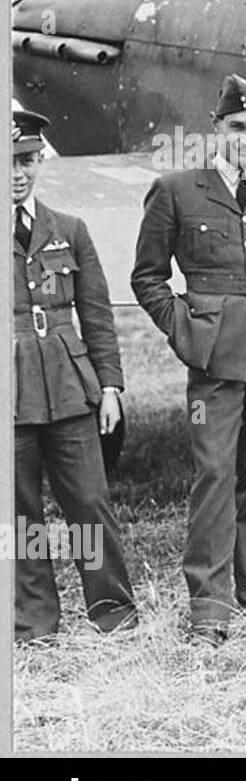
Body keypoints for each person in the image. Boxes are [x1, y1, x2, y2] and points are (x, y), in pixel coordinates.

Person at [132, 74, 246, 642]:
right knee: (215, 472)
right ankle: (209, 606)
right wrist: (185, 330)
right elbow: (148, 277)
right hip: (216, 355)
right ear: (216, 128)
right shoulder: (177, 190)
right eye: (237, 127)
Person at [13, 110, 138, 642]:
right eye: (6, 162)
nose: (16, 173)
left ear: (40, 160)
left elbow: (98, 316)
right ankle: (34, 623)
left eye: (25, 160)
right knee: (19, 516)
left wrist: (109, 386)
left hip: (69, 388)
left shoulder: (69, 229)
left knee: (89, 502)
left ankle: (113, 611)